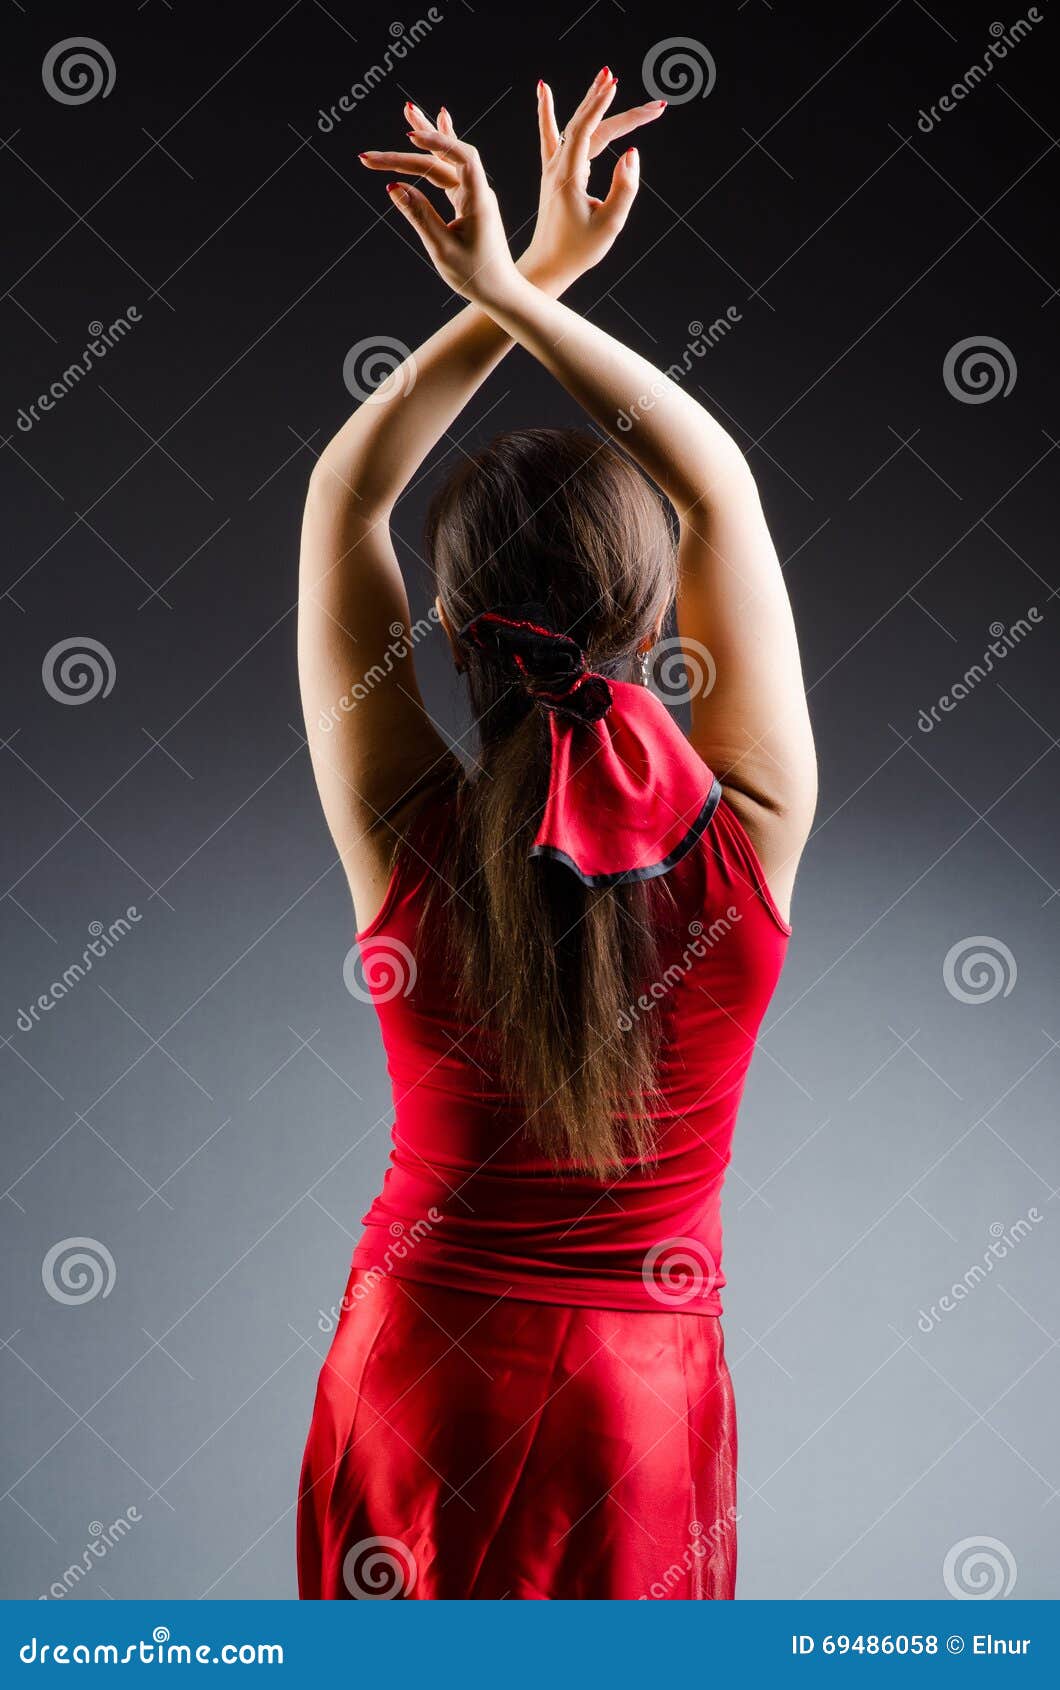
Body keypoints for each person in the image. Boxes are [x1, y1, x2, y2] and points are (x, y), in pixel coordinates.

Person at [296, 70, 816, 1601]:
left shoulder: (403, 831)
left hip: (416, 1376)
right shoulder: (755, 832)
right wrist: (538, 290)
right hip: (639, 1404)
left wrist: (507, 285)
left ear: (446, 623)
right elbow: (715, 484)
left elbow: (348, 495)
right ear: (660, 618)